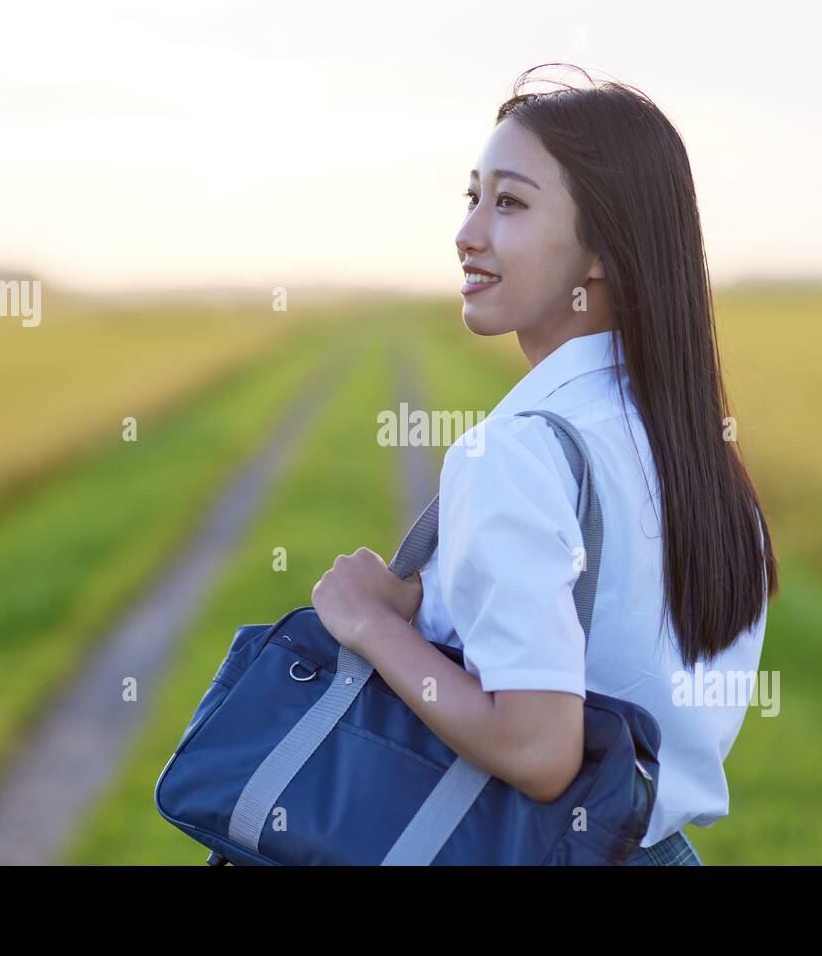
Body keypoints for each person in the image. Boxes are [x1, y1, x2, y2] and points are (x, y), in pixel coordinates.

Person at [311, 64, 778, 866]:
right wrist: (436, 604)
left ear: (601, 252)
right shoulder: (701, 453)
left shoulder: (521, 450)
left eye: (511, 203)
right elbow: (606, 643)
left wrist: (369, 623)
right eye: (473, 197)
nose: (468, 233)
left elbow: (538, 747)